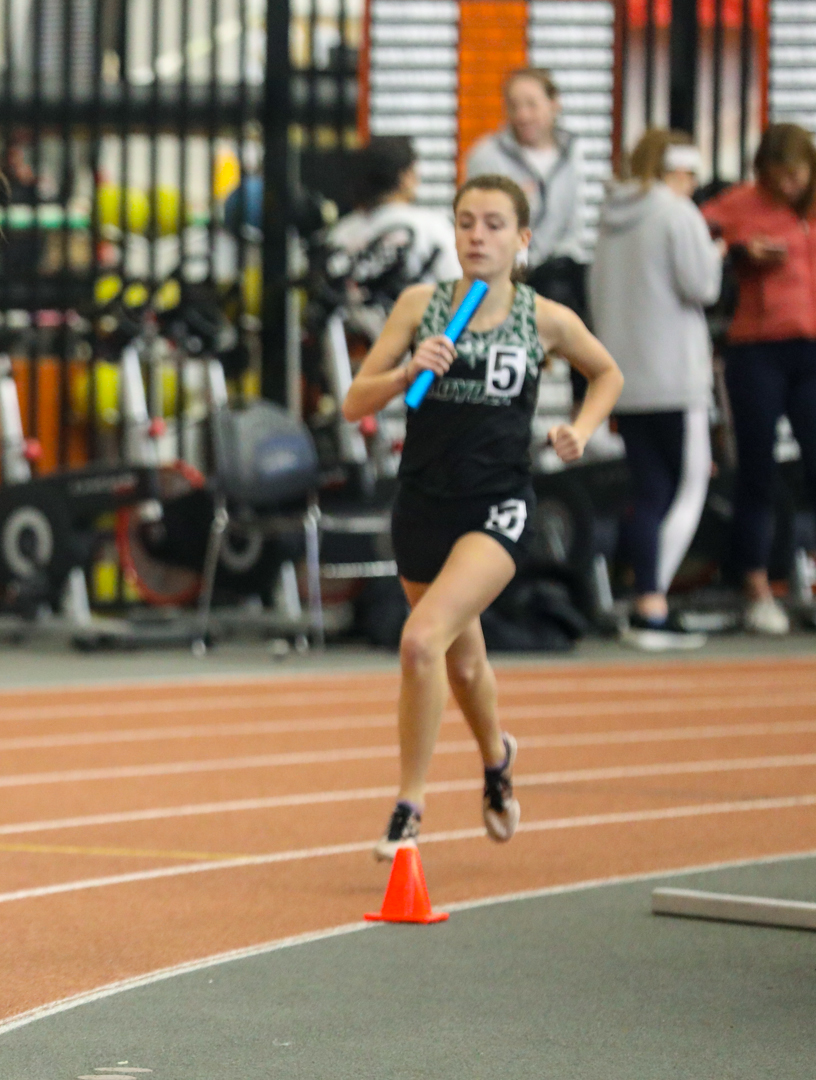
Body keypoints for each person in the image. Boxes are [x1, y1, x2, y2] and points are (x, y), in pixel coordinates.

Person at [343, 175, 624, 861]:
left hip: (497, 504)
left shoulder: (543, 317)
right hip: (424, 505)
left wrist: (581, 429)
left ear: (522, 239)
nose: (478, 236)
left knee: (419, 643)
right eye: (467, 222)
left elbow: (607, 373)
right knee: (463, 665)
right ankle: (497, 759)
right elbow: (357, 402)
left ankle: (408, 806)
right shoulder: (423, 305)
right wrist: (410, 365)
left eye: (495, 224)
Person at [590, 130, 723, 651]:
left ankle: (641, 594)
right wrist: (716, 252)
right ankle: (652, 603)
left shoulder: (609, 218)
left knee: (648, 493)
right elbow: (702, 287)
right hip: (676, 378)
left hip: (625, 377)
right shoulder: (677, 213)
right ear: (681, 169)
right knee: (687, 489)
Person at [702, 123, 816, 636]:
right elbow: (694, 234)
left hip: (811, 351)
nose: (788, 186)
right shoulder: (738, 202)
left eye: (797, 176)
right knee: (757, 469)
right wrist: (740, 251)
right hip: (757, 350)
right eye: (778, 177)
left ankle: (806, 583)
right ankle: (755, 588)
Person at [464, 69, 592, 316]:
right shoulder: (487, 156)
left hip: (560, 279)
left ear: (554, 105)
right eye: (514, 106)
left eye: (531, 105)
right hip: (505, 280)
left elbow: (574, 222)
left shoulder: (572, 153)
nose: (522, 115)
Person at [328, 136, 462, 298]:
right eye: (414, 170)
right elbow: (459, 292)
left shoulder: (340, 234)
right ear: (404, 176)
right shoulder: (433, 229)